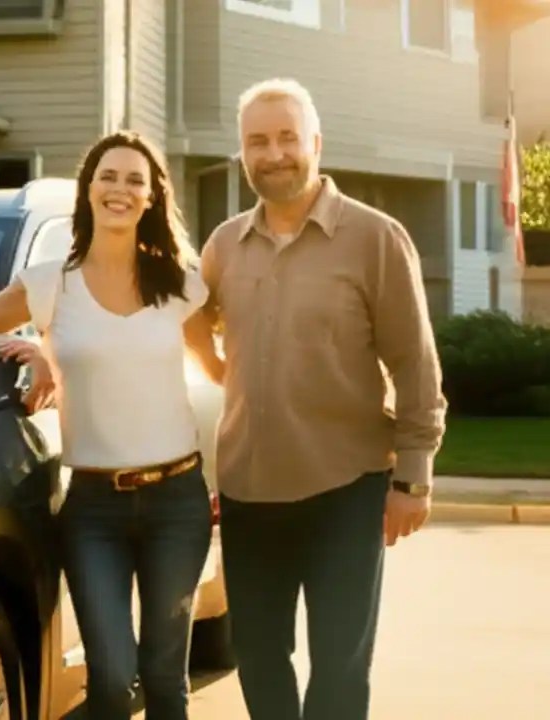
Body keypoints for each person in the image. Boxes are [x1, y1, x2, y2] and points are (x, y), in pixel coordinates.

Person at [0, 130, 224, 720]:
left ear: (152, 197)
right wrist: (30, 351)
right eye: (108, 176)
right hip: (94, 509)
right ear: (89, 189)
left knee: (164, 679)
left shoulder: (179, 282)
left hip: (177, 502)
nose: (120, 189)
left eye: (134, 180)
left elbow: (220, 374)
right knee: (111, 679)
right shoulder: (51, 281)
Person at [198, 78, 446, 720]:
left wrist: (413, 477)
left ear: (316, 144)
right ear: (242, 153)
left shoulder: (375, 238)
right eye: (257, 141)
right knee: (258, 655)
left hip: (347, 487)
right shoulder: (223, 246)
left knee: (339, 663)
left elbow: (414, 361)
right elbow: (189, 324)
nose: (273, 153)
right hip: (249, 489)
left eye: (288, 137)